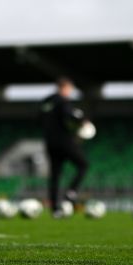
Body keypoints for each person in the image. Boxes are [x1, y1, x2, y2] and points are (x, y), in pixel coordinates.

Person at [39, 77, 89, 218]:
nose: (70, 91)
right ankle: (71, 192)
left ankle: (55, 209)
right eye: (70, 89)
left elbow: (38, 118)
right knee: (83, 165)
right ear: (65, 87)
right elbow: (70, 115)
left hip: (49, 142)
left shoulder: (46, 101)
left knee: (55, 176)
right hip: (64, 141)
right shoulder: (63, 101)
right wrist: (83, 121)